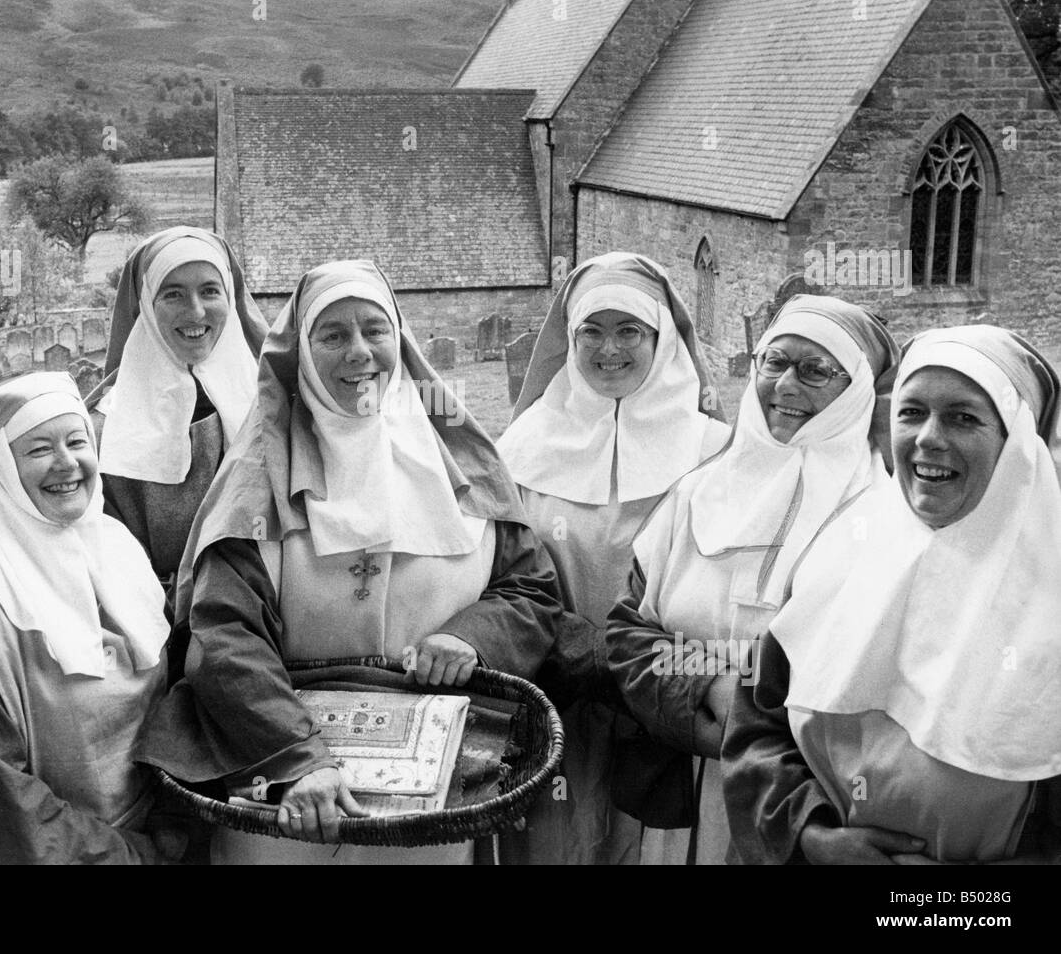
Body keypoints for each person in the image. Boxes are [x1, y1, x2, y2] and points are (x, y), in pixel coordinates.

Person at [139, 260, 563, 865]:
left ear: (400, 339)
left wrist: (472, 638)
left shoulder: (462, 462)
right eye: (332, 335)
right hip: (286, 794)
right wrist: (299, 759)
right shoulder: (258, 478)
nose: (359, 353)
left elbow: (531, 589)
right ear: (302, 355)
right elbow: (224, 638)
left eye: (375, 330)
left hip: (431, 800)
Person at [724, 325, 1061, 865]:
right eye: (911, 412)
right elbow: (756, 730)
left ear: (1016, 442)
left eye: (963, 417)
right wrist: (811, 836)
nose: (928, 437)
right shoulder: (836, 560)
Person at [605, 294, 898, 864]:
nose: (786, 386)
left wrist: (755, 731)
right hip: (687, 763)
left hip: (807, 797)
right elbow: (625, 632)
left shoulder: (886, 515)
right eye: (775, 361)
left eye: (815, 371)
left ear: (859, 389)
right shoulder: (697, 493)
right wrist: (708, 690)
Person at [496, 252, 728, 865]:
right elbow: (500, 577)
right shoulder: (520, 448)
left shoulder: (714, 451)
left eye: (630, 330)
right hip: (553, 693)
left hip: (662, 703)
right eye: (591, 331)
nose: (610, 349)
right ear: (569, 340)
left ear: (663, 338)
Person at [0, 372, 181, 864]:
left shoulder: (116, 550)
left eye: (77, 440)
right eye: (38, 450)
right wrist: (134, 855)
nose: (67, 462)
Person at [89, 226, 268, 586]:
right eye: (173, 294)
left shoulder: (276, 410)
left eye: (210, 291)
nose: (196, 311)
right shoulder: (103, 433)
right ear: (146, 305)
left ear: (231, 299)